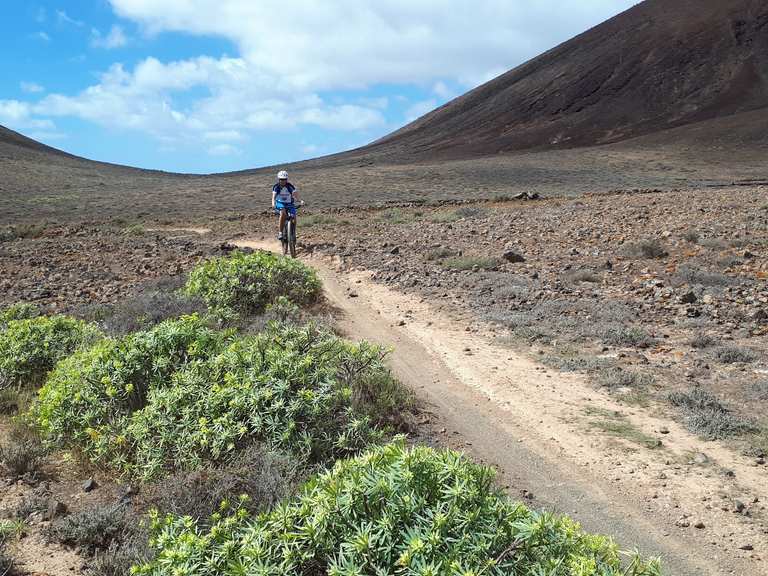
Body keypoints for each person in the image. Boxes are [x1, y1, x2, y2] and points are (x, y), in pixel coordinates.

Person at [271, 170, 302, 240]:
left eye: (284, 179)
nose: (283, 181)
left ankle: (293, 233)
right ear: (279, 179)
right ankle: (280, 232)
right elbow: (273, 197)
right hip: (280, 203)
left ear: (287, 179)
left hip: (289, 203)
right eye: (281, 179)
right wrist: (273, 203)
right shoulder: (276, 187)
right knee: (283, 213)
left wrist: (300, 200)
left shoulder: (290, 186)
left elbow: (295, 194)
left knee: (294, 217)